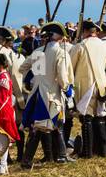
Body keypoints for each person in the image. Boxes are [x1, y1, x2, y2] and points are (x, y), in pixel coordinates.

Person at [20, 22, 73, 169]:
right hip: (51, 94)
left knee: (44, 127)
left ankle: (57, 156)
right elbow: (62, 76)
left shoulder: (38, 51)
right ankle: (58, 157)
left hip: (36, 94)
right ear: (58, 37)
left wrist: (33, 78)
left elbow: (23, 67)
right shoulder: (60, 52)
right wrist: (67, 89)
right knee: (51, 126)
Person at [70, 20, 106, 157]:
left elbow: (71, 67)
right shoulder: (104, 46)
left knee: (87, 118)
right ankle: (103, 150)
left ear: (85, 31)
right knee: (99, 116)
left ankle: (88, 152)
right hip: (101, 84)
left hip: (85, 85)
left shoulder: (81, 46)